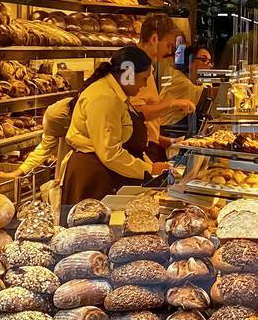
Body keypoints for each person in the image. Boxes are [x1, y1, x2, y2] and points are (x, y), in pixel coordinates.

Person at [58, 46, 172, 203]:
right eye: (144, 78)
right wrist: (149, 169)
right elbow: (110, 153)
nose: (145, 85)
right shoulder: (105, 98)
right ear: (128, 74)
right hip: (94, 179)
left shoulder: (116, 95)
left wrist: (149, 165)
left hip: (105, 174)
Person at [130, 14, 198, 153]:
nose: (169, 52)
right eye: (168, 46)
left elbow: (145, 124)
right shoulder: (132, 67)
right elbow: (134, 114)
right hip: (138, 151)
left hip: (149, 146)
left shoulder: (147, 67)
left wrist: (167, 142)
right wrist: (172, 103)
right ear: (154, 39)